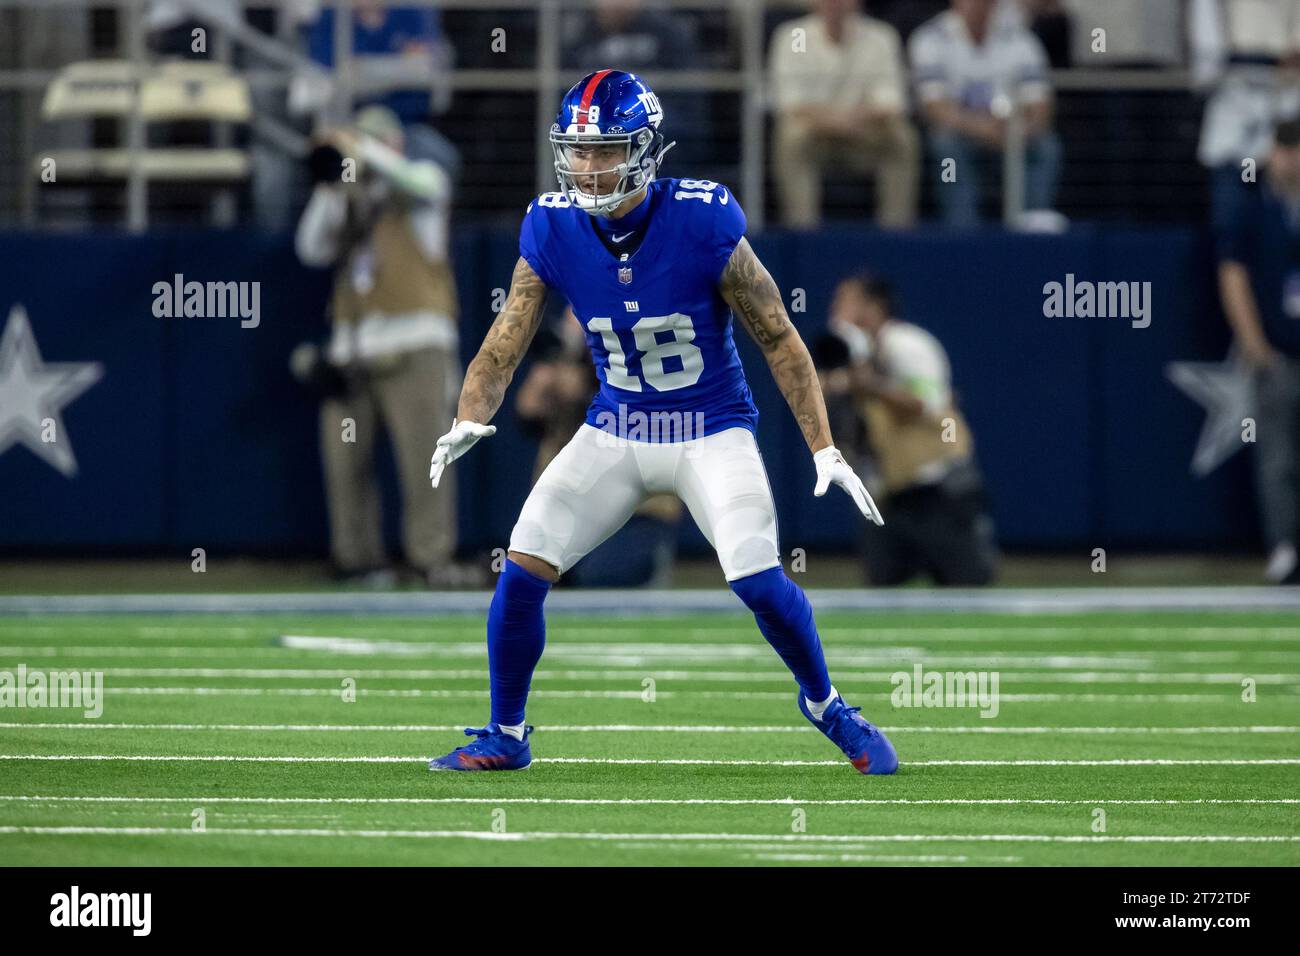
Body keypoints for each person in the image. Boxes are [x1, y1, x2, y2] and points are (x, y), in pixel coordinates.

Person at [427, 70, 898, 775]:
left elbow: (778, 337)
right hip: (616, 429)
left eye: (606, 149)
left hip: (711, 428)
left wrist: (825, 448)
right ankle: (507, 732)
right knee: (521, 569)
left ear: (645, 150)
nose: (588, 167)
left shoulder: (703, 220)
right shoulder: (553, 225)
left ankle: (827, 705)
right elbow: (505, 341)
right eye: (578, 151)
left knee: (758, 581)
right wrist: (470, 413)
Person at [295, 105, 473, 589]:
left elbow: (427, 183)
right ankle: (358, 560)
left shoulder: (419, 190)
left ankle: (429, 559)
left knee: (424, 460)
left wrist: (365, 149)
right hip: (354, 348)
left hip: (416, 344)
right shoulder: (350, 201)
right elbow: (310, 248)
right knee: (346, 462)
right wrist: (333, 183)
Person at [818, 272, 997, 585]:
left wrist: (865, 382)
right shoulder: (848, 355)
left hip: (939, 488)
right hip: (887, 494)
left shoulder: (906, 344)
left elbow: (926, 404)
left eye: (845, 301)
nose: (835, 309)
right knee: (883, 596)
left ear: (874, 307)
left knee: (967, 588)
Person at [1216, 118, 1300, 583]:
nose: (1292, 159)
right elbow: (1233, 274)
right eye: (1286, 149)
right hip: (1280, 351)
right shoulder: (1252, 210)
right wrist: (1253, 342)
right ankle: (1285, 546)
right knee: (1279, 457)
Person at [909, 0, 1061, 226]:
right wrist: (981, 128)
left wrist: (1021, 130)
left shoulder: (1020, 38)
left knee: (1046, 146)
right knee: (945, 149)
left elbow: (1040, 104)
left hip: (1010, 135)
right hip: (960, 136)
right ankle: (962, 229)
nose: (977, 5)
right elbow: (935, 108)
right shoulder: (930, 37)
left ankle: (1033, 228)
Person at [768, 0, 918, 227]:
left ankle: (897, 235)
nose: (835, 3)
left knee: (903, 138)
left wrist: (852, 119)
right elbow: (790, 103)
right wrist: (834, 121)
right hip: (814, 134)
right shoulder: (792, 36)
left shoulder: (881, 36)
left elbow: (891, 102)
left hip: (864, 133)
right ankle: (803, 234)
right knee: (790, 136)